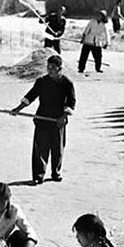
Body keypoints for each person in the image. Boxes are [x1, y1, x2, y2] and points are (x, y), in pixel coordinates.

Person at [10, 53, 75, 185]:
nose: (49, 69)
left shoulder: (67, 83)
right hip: (42, 119)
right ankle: (38, 175)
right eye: (48, 66)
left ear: (59, 68)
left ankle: (56, 173)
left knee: (57, 149)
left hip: (58, 121)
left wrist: (64, 116)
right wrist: (18, 108)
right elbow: (31, 95)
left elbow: (71, 101)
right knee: (40, 149)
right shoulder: (42, 82)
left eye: (53, 67)